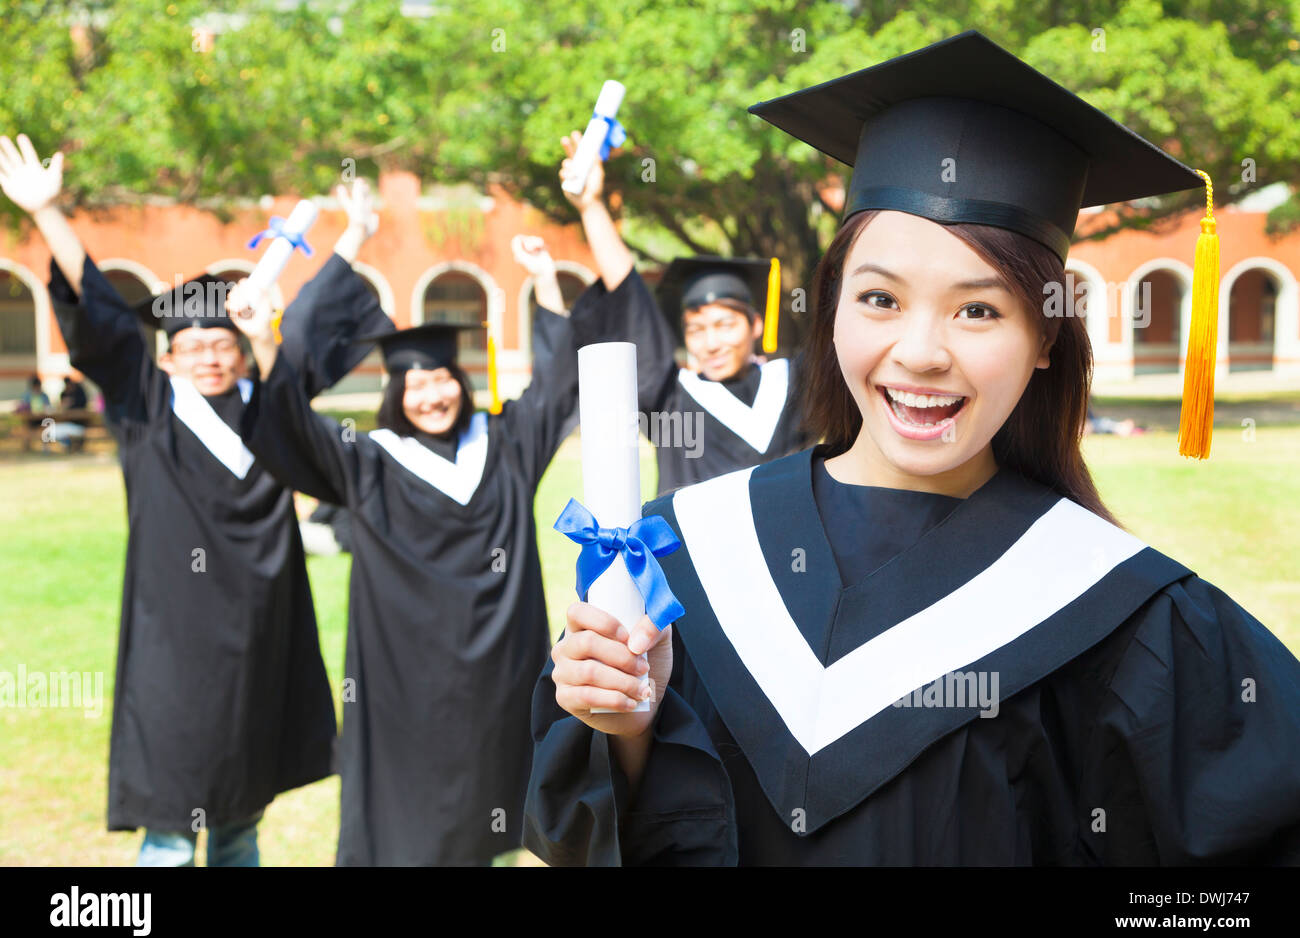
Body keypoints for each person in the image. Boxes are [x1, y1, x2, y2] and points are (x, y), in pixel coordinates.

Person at [522, 31, 1300, 865]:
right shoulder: (680, 557)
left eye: (979, 310)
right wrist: (629, 732)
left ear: (1045, 339)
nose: (922, 352)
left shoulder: (1118, 610)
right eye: (881, 298)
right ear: (830, 311)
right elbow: (602, 839)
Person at [0, 133, 386, 866]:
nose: (210, 355)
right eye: (193, 346)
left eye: (223, 344)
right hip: (173, 643)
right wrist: (50, 214)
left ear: (241, 349)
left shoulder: (268, 401)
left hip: (264, 634)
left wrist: (358, 231)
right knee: (173, 825)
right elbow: (106, 320)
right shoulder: (145, 405)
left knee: (241, 818)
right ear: (168, 354)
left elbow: (306, 333)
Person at [229, 233, 616, 866]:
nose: (431, 395)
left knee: (493, 816)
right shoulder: (367, 463)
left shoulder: (506, 445)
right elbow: (291, 427)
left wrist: (546, 281)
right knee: (413, 831)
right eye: (414, 384)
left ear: (460, 382)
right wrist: (265, 342)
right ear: (395, 394)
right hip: (402, 683)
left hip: (501, 676)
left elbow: (555, 385)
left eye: (441, 379)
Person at [558, 134, 813, 494]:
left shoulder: (791, 385)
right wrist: (591, 207)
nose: (712, 343)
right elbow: (631, 300)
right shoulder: (672, 401)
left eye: (725, 325)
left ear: (755, 325)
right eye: (696, 329)